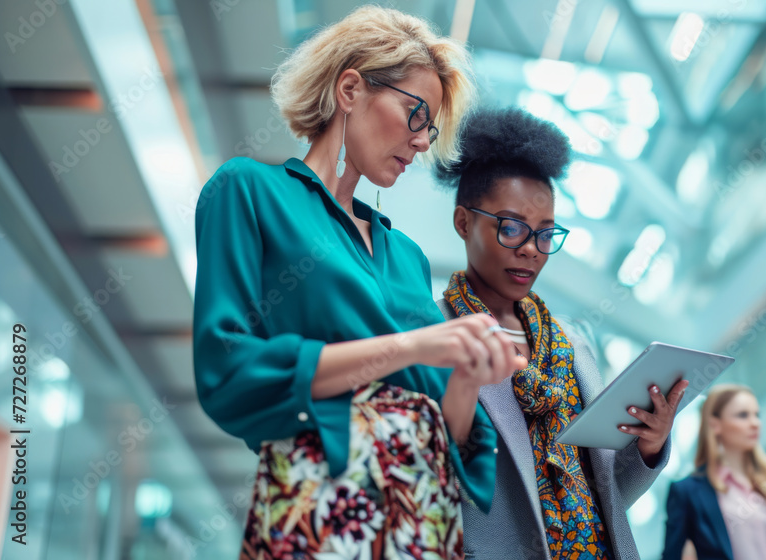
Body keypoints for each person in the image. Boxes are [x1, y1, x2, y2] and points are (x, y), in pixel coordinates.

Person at [192, 7, 525, 559]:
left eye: (431, 128)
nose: (422, 143)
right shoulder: (249, 192)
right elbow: (227, 369)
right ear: (350, 89)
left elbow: (452, 429)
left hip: (426, 514)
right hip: (327, 495)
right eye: (415, 113)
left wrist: (467, 376)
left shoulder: (408, 257)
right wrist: (410, 346)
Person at [433, 106, 687, 560]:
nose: (531, 249)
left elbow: (606, 498)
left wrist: (648, 444)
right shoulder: (433, 339)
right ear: (463, 222)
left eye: (546, 234)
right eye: (511, 228)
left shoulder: (571, 343)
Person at [663, 384, 766, 560]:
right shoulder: (687, 492)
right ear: (715, 425)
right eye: (743, 415)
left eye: (756, 415)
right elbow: (672, 555)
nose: (755, 423)